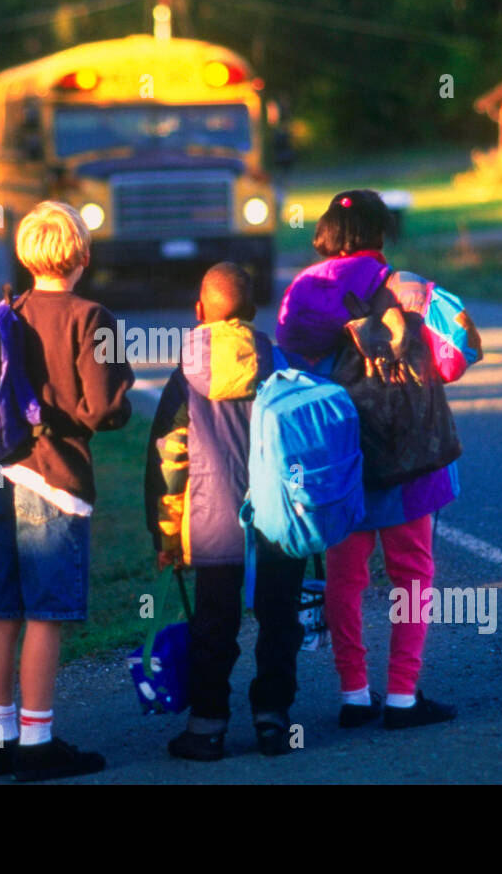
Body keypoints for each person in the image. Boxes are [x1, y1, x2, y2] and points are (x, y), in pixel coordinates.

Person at [276, 190, 478, 730]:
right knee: (412, 575)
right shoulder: (408, 286)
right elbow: (455, 359)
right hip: (410, 451)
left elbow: (288, 369)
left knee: (345, 579)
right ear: (380, 233)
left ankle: (354, 695)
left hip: (340, 457)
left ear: (326, 233)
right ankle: (404, 698)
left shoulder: (301, 291)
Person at [0, 201, 134, 782]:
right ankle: (38, 743)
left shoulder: (10, 311)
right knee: (46, 613)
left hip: (4, 472)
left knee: (5, 609)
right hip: (55, 479)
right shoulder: (91, 316)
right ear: (84, 256)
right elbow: (104, 408)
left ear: (26, 253)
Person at [145, 262, 305, 760]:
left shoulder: (185, 377)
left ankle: (207, 727)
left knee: (214, 626)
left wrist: (167, 536)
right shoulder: (280, 361)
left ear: (199, 312)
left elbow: (170, 463)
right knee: (280, 620)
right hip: (279, 523)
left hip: (212, 527)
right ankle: (273, 720)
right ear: (253, 312)